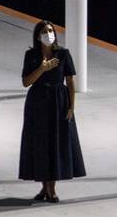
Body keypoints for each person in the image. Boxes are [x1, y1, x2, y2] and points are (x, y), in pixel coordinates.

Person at [18, 20, 86, 201]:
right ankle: (44, 187)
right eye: (44, 31)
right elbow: (26, 82)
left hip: (58, 101)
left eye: (51, 30)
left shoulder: (63, 54)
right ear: (38, 35)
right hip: (38, 101)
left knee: (55, 143)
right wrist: (42, 68)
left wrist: (72, 107)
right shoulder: (31, 55)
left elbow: (70, 82)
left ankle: (52, 188)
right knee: (40, 143)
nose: (49, 33)